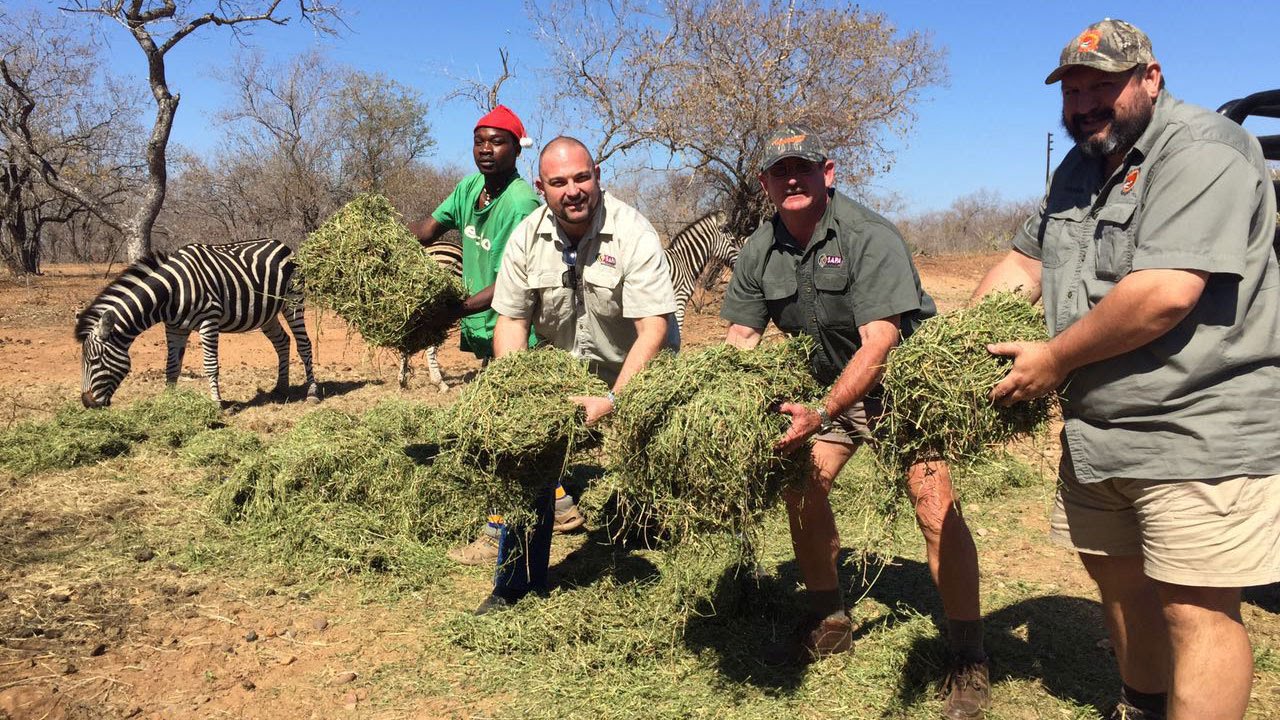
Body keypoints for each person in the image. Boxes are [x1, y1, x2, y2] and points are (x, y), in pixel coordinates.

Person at [973, 19, 1280, 720]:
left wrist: (1052, 359)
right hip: (1100, 430)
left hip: (1198, 423)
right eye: (1073, 89)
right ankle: (1140, 705)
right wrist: (967, 340)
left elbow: (1166, 292)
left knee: (1194, 609)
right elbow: (1024, 262)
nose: (1083, 103)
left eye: (1101, 86)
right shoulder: (1078, 167)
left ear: (1150, 77)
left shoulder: (1204, 151)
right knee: (1120, 584)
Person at [722, 125, 989, 718]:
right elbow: (740, 338)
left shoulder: (869, 236)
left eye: (804, 169)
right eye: (780, 171)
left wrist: (824, 411)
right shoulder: (758, 250)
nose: (793, 179)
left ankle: (968, 654)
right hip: (824, 388)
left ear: (828, 173)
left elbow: (879, 343)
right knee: (800, 485)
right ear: (765, 182)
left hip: (901, 386)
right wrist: (735, 403)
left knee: (933, 502)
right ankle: (829, 617)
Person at [475, 135, 679, 613]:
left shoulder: (634, 232)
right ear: (541, 186)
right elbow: (511, 320)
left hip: (639, 365)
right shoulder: (526, 235)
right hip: (564, 368)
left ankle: (667, 562)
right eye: (560, 182)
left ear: (598, 177)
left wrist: (615, 401)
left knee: (653, 466)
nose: (573, 190)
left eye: (582, 177)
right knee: (530, 460)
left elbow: (653, 329)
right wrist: (519, 390)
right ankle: (515, 584)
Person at [408, 105, 586, 566]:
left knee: (496, 433)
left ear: (515, 148)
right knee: (522, 431)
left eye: (498, 141)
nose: (486, 149)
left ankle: (497, 533)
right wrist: (388, 247)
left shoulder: (523, 202)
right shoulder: (470, 189)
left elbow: (515, 276)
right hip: (485, 328)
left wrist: (457, 307)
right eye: (480, 140)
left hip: (521, 331)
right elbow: (429, 228)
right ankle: (563, 505)